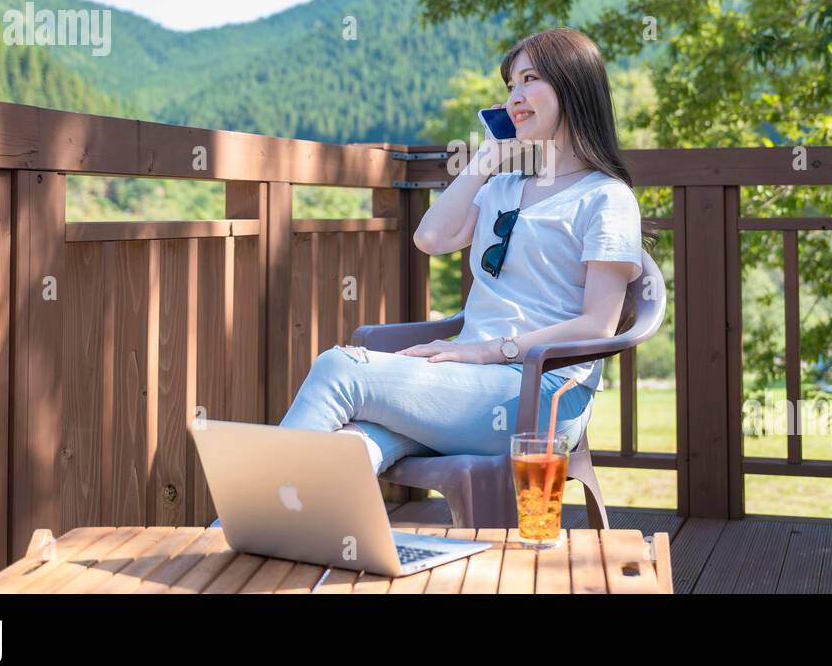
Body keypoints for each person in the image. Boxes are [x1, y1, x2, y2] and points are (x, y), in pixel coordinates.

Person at [274, 27, 647, 477]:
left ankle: (236, 534)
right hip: (465, 384)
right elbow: (430, 239)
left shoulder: (606, 198)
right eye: (511, 86)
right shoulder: (503, 187)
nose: (515, 97)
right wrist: (487, 158)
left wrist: (489, 351)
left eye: (530, 80)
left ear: (572, 86)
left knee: (340, 367)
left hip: (540, 394)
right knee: (352, 446)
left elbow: (598, 325)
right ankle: (276, 537)